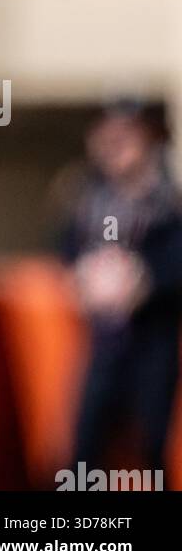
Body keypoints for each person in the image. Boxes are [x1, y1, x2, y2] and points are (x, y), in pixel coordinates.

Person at [49, 102, 182, 485]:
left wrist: (144, 280)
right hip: (104, 342)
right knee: (84, 446)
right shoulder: (87, 197)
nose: (114, 147)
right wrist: (85, 276)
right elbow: (67, 251)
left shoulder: (166, 201)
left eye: (124, 138)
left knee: (153, 446)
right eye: (106, 138)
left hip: (153, 340)